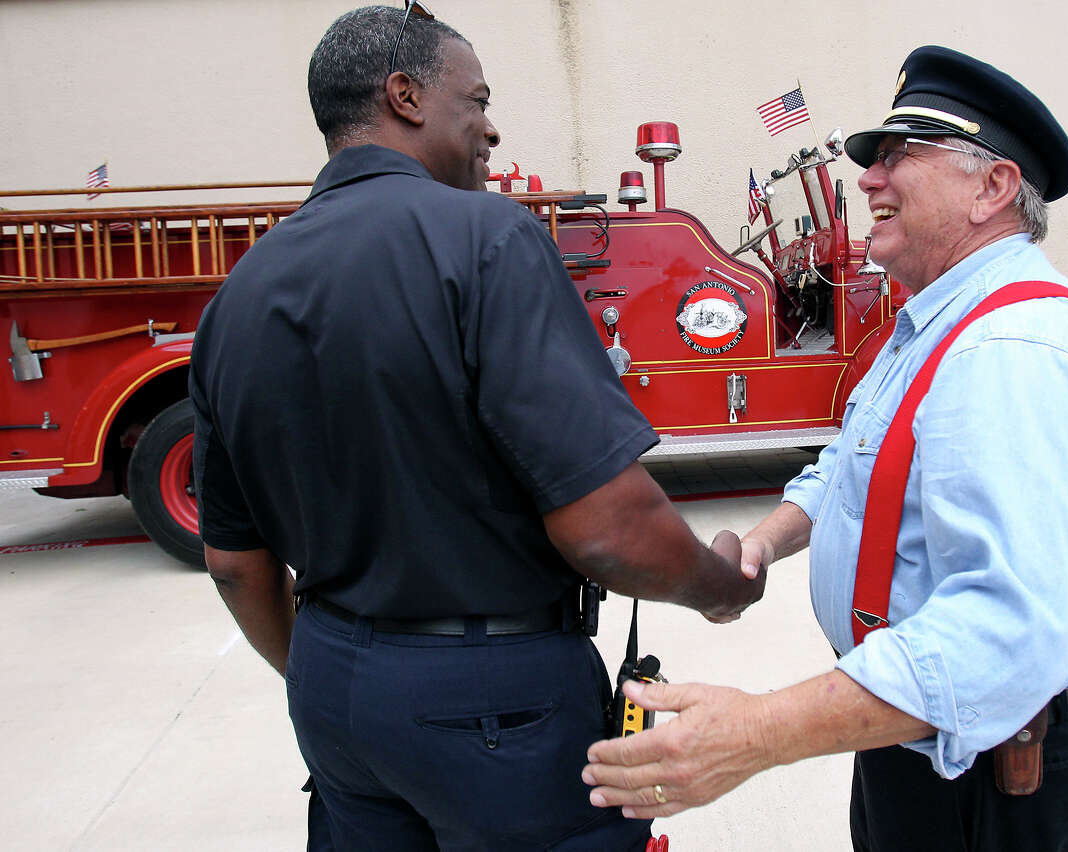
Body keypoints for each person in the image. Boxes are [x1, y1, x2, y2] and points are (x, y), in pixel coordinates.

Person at [189, 6, 763, 850]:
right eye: (477, 100)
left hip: (332, 691)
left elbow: (235, 566)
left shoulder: (236, 295)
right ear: (405, 96)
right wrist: (720, 588)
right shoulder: (488, 240)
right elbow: (607, 528)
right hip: (500, 708)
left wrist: (340, 674)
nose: (490, 127)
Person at [583, 45, 1068, 852]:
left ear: (993, 188)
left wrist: (754, 734)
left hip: (984, 771)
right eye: (872, 160)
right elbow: (850, 462)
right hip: (903, 732)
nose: (869, 178)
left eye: (899, 155)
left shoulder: (1012, 349)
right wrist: (762, 548)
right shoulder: (933, 325)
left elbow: (1002, 633)